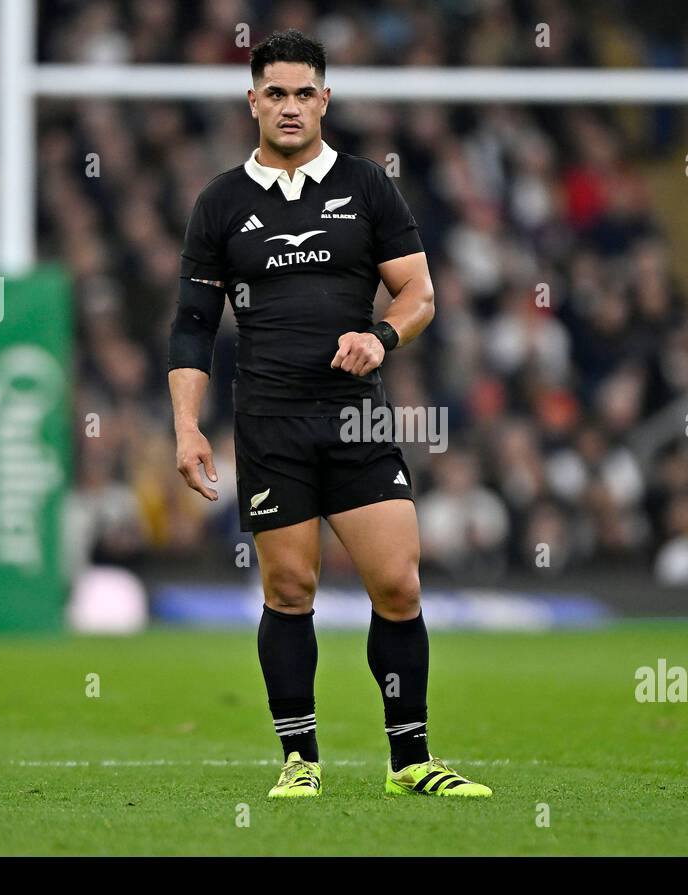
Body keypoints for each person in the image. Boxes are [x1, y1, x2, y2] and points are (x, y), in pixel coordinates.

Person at [167, 30, 491, 799]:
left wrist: (380, 337)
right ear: (252, 101)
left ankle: (410, 761)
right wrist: (186, 425)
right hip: (270, 420)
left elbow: (420, 296)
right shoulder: (220, 202)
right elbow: (191, 325)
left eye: (302, 92)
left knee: (399, 584)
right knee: (288, 590)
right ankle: (299, 759)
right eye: (274, 92)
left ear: (325, 100)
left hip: (356, 418)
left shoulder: (369, 186)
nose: (288, 106)